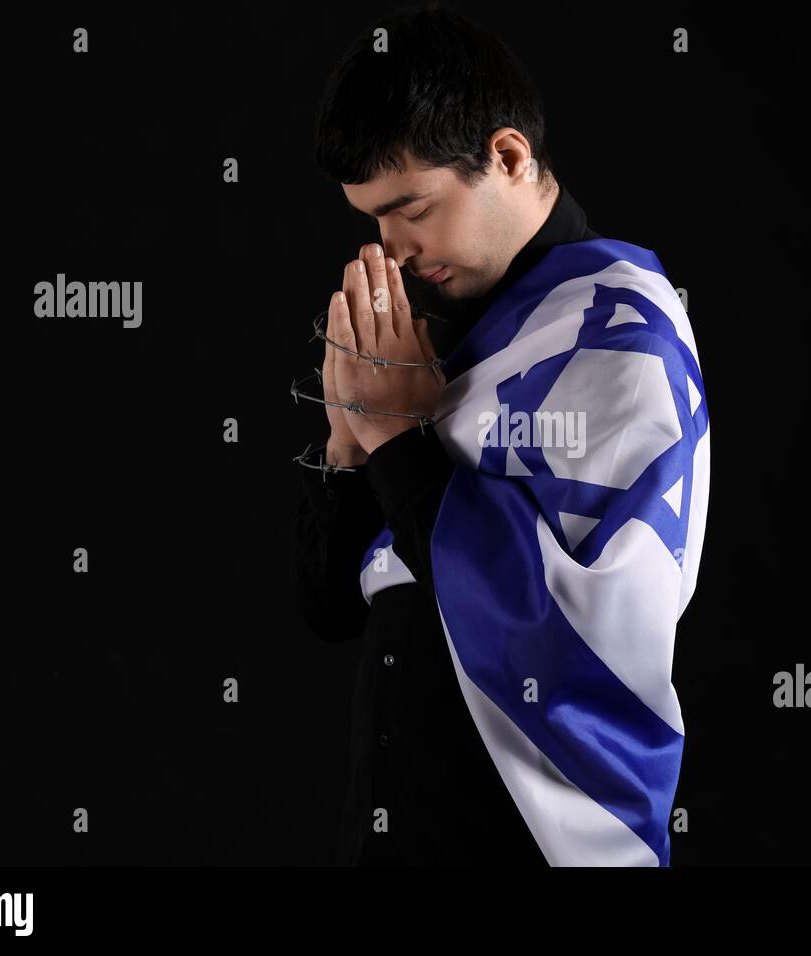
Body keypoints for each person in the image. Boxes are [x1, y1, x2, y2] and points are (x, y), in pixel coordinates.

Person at [292, 3, 709, 866]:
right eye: (374, 221)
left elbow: (574, 630)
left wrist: (402, 438)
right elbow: (330, 608)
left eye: (413, 210)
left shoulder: (619, 329)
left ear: (508, 156)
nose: (394, 250)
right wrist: (347, 442)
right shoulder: (437, 339)